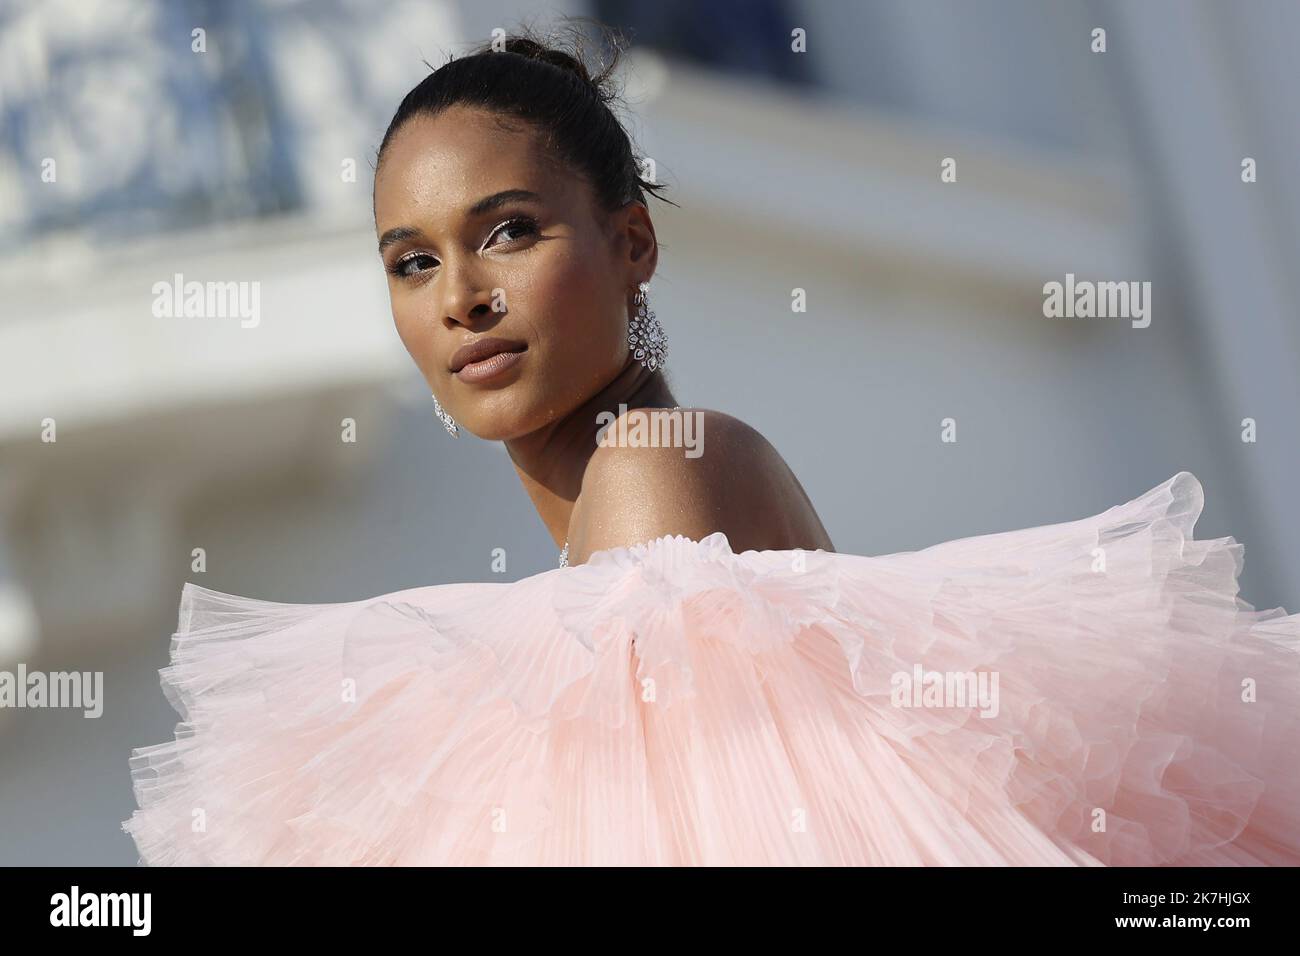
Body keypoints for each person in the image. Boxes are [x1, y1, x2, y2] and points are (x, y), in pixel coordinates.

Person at [122, 24, 1300, 866]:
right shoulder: (638, 499)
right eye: (413, 261)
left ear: (631, 241)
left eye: (509, 232)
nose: (459, 298)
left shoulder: (652, 475)